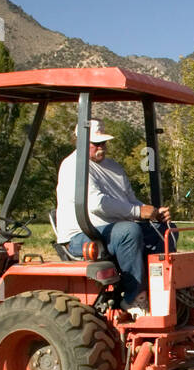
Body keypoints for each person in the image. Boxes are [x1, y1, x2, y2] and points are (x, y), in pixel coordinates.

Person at [56, 119, 175, 314]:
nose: (101, 147)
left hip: (115, 232)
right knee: (129, 231)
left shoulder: (114, 168)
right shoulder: (74, 166)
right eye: (96, 144)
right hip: (83, 235)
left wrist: (152, 212)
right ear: (80, 141)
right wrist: (137, 212)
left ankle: (162, 290)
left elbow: (130, 200)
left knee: (166, 231)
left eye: (103, 143)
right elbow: (97, 205)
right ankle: (134, 298)